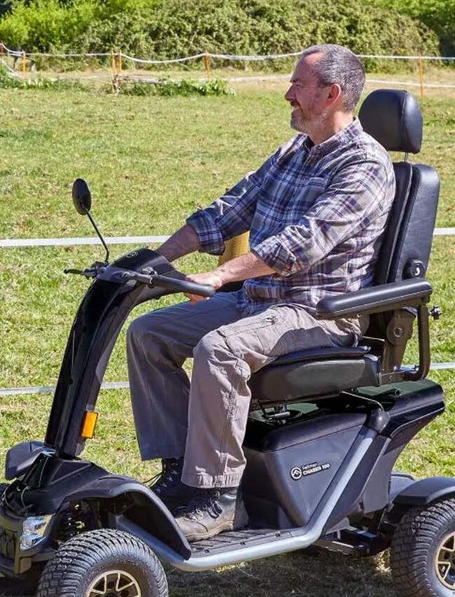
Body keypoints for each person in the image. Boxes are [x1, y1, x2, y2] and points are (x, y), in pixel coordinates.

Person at [126, 43, 395, 542]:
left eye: (298, 85)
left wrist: (223, 275)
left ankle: (220, 500)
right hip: (261, 301)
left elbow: (304, 244)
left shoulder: (365, 165)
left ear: (332, 94)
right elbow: (228, 211)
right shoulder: (294, 152)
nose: (287, 93)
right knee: (148, 334)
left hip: (319, 313)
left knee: (220, 349)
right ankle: (182, 472)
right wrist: (154, 263)